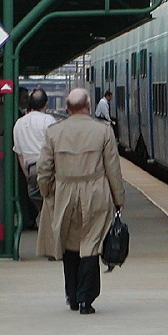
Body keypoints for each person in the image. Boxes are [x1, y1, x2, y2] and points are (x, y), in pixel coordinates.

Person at [36, 88, 126, 315]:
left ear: (67, 108)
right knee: (91, 244)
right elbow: (113, 169)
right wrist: (118, 199)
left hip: (64, 191)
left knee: (69, 244)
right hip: (95, 191)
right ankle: (87, 299)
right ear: (88, 105)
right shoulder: (103, 131)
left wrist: (47, 191)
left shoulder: (54, 132)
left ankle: (72, 296)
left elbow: (44, 168)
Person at [12, 89, 56, 222]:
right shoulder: (49, 120)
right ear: (45, 104)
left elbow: (19, 154)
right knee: (52, 201)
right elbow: (55, 146)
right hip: (49, 167)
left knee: (40, 202)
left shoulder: (19, 123)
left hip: (31, 169)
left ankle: (45, 221)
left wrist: (27, 174)